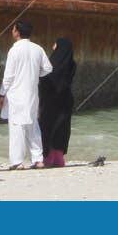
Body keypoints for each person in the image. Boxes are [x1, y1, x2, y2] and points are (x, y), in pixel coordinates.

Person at [0, 19, 52, 169]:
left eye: (13, 29)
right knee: (33, 125)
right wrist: (35, 74)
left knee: (17, 127)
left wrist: (2, 94)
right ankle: (38, 159)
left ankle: (17, 162)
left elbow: (8, 76)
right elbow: (48, 68)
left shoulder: (14, 50)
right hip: (32, 93)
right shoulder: (38, 49)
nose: (12, 31)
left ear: (17, 32)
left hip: (16, 94)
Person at [38, 37, 76, 168]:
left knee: (47, 127)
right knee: (62, 128)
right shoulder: (71, 63)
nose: (53, 46)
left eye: (55, 43)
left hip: (50, 100)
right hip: (66, 99)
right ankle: (59, 158)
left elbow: (45, 81)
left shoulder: (51, 63)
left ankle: (48, 158)